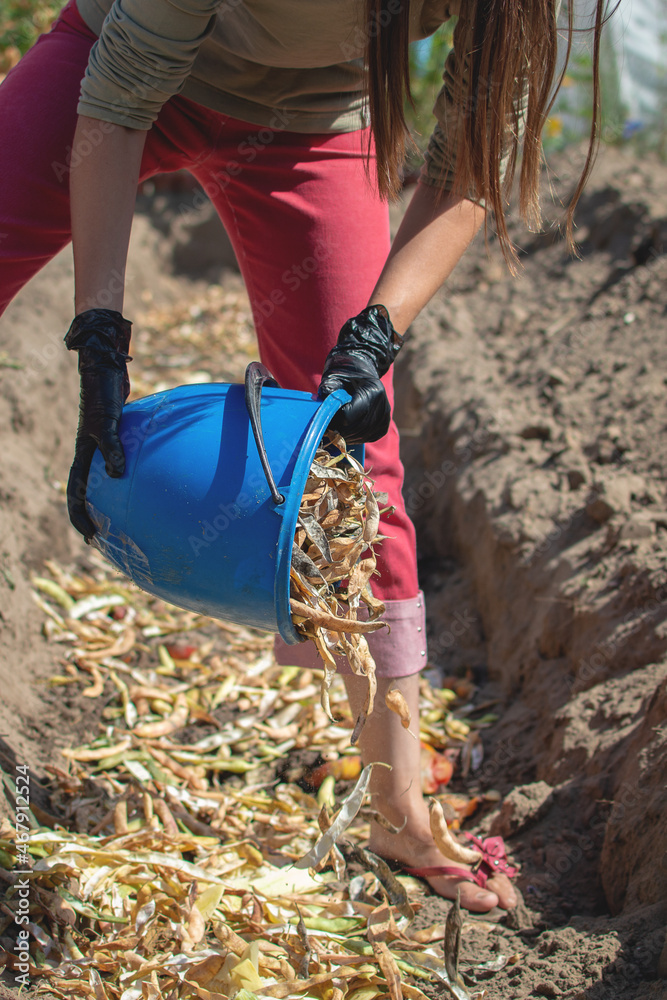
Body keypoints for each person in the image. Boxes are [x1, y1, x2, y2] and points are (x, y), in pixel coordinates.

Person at [0, 0, 610, 914]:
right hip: (120, 71)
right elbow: (121, 99)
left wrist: (374, 335)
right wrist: (100, 331)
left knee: (354, 464)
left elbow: (470, 162)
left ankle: (399, 807)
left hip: (310, 122)